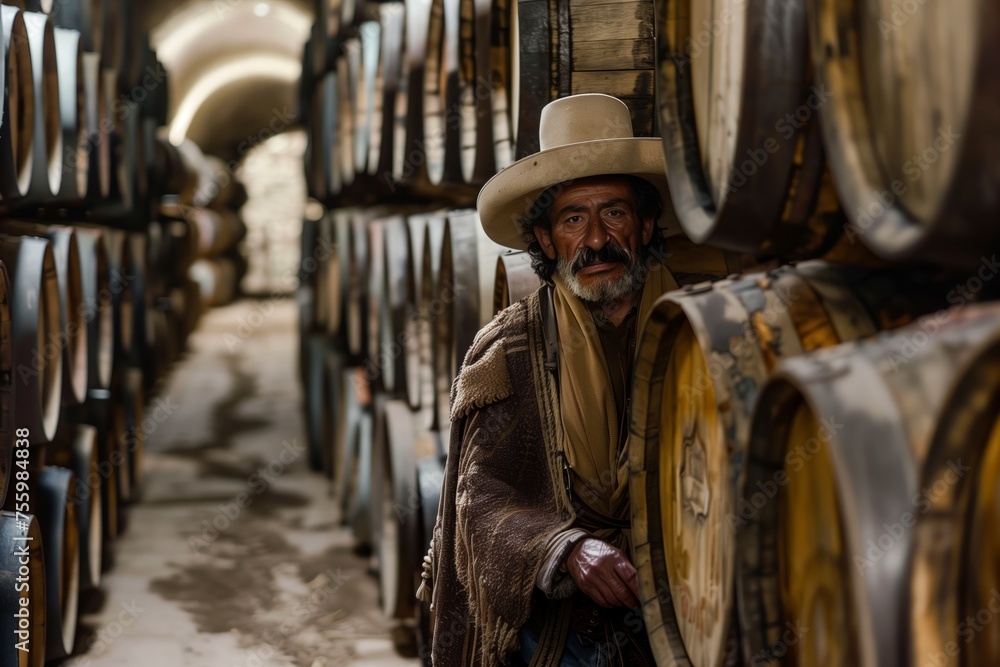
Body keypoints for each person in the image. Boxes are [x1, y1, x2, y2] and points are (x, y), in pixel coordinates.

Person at [417, 93, 683, 666]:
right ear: (544, 241)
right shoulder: (510, 347)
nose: (594, 241)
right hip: (567, 630)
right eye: (572, 219)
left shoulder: (696, 327)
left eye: (613, 212)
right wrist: (566, 549)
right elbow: (478, 498)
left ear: (645, 223)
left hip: (690, 605)